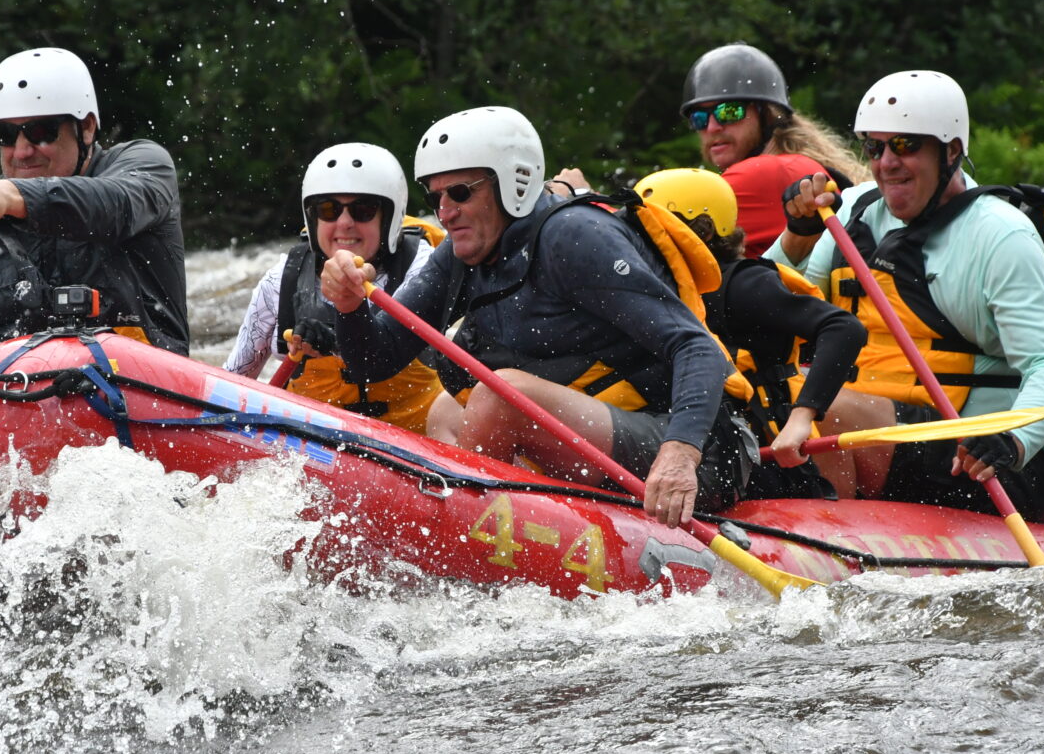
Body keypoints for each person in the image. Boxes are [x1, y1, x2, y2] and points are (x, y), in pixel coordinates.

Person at [319, 105, 758, 530]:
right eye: (436, 197)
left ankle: (463, 530)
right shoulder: (461, 251)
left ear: (514, 183)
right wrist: (349, 307)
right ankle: (494, 526)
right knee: (447, 409)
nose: (446, 212)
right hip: (596, 439)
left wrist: (680, 453)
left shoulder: (574, 237)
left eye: (461, 193)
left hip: (693, 448)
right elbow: (373, 362)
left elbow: (696, 347)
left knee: (499, 397)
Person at [768, 70, 1044, 520]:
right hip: (878, 430)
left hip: (983, 457)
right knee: (771, 397)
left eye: (905, 145)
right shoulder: (851, 211)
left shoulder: (1001, 237)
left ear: (951, 151)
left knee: (822, 411)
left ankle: (828, 531)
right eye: (875, 148)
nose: (886, 163)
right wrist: (797, 238)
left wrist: (1012, 440)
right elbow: (773, 308)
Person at [0, 47, 188, 357]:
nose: (22, 151)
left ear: (86, 127)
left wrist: (12, 195)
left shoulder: (147, 166)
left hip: (135, 378)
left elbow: (119, 205)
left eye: (40, 131)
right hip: (11, 383)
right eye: (5, 134)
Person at [635, 168, 867, 497]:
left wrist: (802, 418)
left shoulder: (742, 285)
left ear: (703, 231)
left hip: (768, 469)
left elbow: (844, 328)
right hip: (698, 451)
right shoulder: (653, 291)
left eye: (651, 230)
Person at [224, 142, 445, 433]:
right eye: (328, 210)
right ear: (313, 218)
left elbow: (381, 350)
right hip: (314, 443)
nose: (344, 223)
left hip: (417, 442)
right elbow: (234, 383)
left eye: (363, 210)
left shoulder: (425, 267)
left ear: (389, 218)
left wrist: (334, 342)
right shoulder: (281, 281)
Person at [681, 43, 866, 257]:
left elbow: (658, 226)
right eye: (699, 118)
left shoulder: (767, 170)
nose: (712, 127)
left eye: (729, 111)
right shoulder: (794, 164)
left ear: (766, 114)